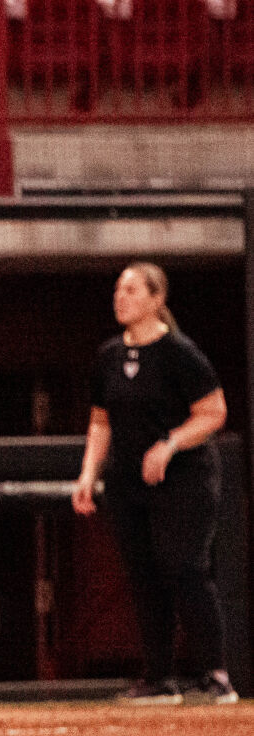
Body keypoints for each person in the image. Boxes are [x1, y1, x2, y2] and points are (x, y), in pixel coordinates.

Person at [72, 263, 237, 705]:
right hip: (128, 483)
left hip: (183, 480)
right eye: (118, 289)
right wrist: (88, 475)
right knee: (144, 576)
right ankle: (159, 677)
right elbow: (100, 422)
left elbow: (214, 412)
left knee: (184, 567)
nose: (120, 298)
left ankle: (215, 675)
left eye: (130, 290)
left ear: (155, 299)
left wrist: (170, 444)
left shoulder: (179, 352)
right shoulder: (108, 356)